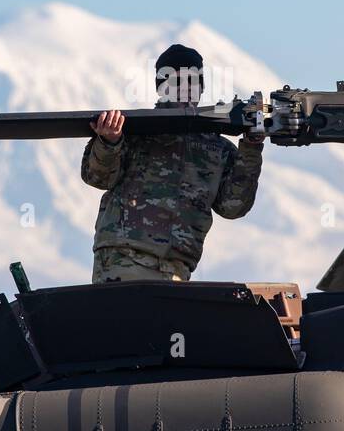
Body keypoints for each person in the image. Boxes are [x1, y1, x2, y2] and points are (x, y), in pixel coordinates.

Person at [81, 43, 265, 283]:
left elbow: (233, 207)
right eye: (177, 82)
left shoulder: (217, 149)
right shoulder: (136, 132)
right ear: (162, 88)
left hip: (177, 269)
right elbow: (98, 177)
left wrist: (250, 148)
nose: (186, 89)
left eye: (193, 82)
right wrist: (109, 141)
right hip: (123, 260)